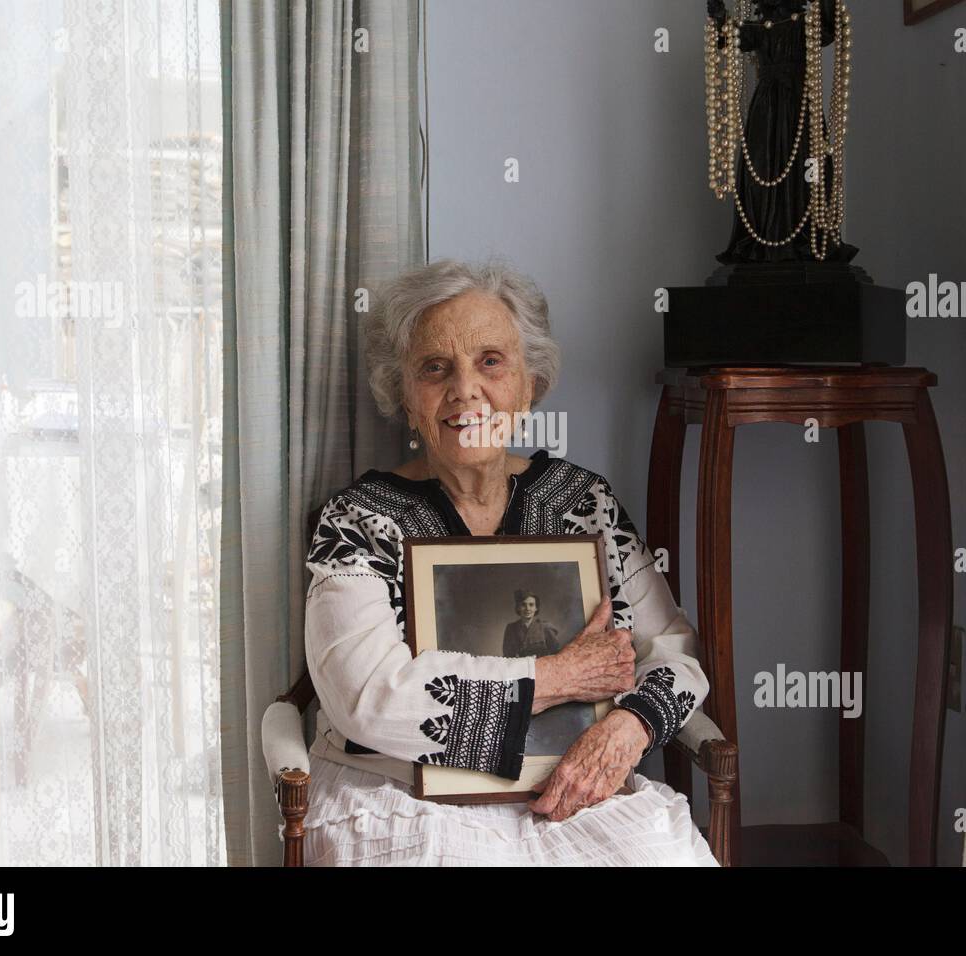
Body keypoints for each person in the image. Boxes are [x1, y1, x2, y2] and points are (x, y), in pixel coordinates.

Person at [302, 258, 716, 866]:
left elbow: (674, 653)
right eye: (435, 368)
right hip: (401, 793)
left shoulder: (585, 502)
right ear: (407, 399)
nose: (465, 390)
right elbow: (367, 697)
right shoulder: (359, 517)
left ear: (528, 386)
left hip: (573, 785)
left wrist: (628, 731)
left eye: (490, 361)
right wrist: (558, 678)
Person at [502, 590, 560, 658]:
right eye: (523, 605)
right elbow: (507, 656)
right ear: (518, 607)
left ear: (536, 608)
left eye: (531, 605)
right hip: (519, 667)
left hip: (540, 667)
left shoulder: (546, 627)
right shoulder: (511, 628)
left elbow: (556, 655)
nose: (527, 608)